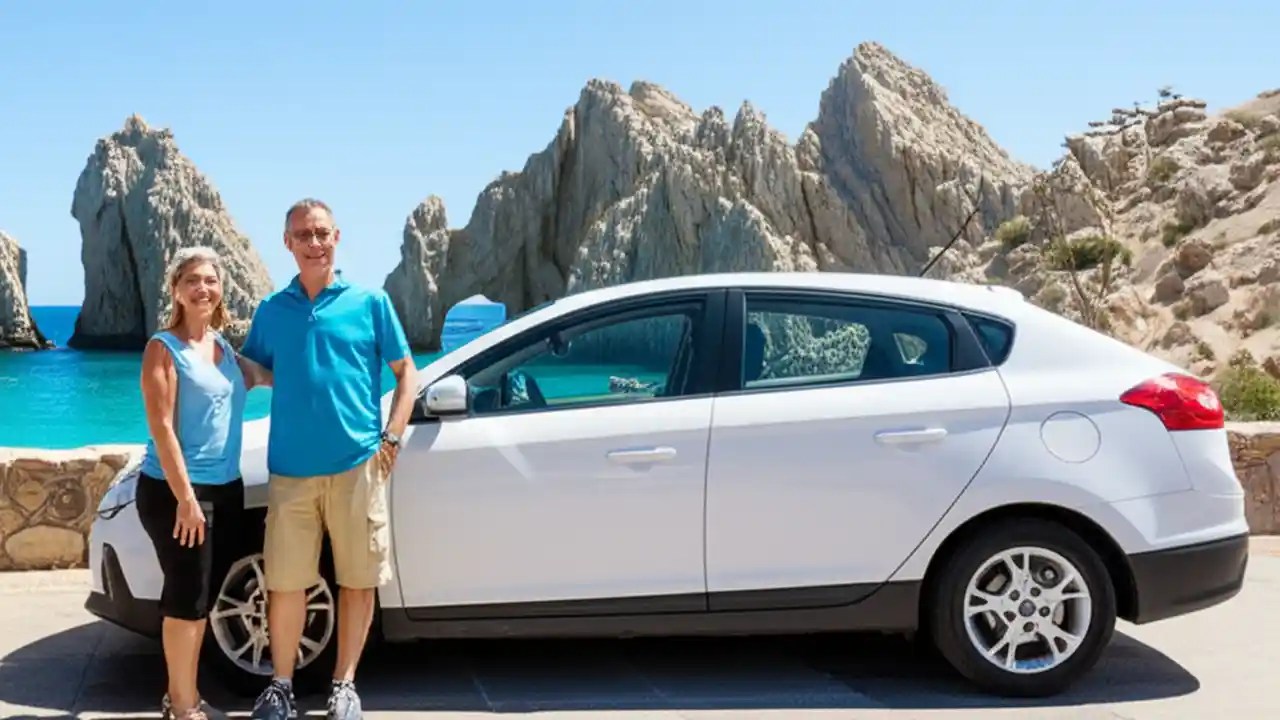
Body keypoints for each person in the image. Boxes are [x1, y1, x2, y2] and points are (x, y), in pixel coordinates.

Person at [242, 198, 417, 720]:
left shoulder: (369, 302)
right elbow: (252, 371)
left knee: (357, 578)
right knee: (285, 582)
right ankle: (280, 686)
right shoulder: (272, 310)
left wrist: (392, 438)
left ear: (337, 237)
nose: (313, 243)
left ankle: (344, 685)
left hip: (356, 464)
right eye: (303, 235)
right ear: (287, 243)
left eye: (321, 233)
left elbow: (407, 373)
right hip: (290, 471)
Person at [136, 246, 273, 720]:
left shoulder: (223, 348)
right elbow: (163, 428)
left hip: (225, 488)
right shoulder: (163, 348)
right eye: (192, 280)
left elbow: (266, 377)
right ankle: (184, 706)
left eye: (211, 280)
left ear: (220, 291)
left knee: (201, 596)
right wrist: (186, 499)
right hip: (177, 493)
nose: (203, 288)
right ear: (176, 289)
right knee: (188, 599)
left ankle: (179, 695)